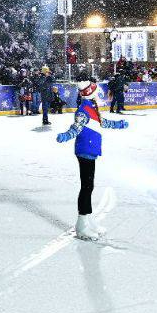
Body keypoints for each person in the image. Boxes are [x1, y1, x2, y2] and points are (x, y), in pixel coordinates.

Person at [55, 79, 128, 240]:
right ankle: (82, 225)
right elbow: (76, 128)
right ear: (91, 93)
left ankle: (88, 220)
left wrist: (119, 125)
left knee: (89, 186)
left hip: (90, 150)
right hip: (84, 150)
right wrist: (65, 136)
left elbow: (103, 123)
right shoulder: (83, 110)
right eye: (96, 91)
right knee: (86, 187)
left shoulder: (92, 108)